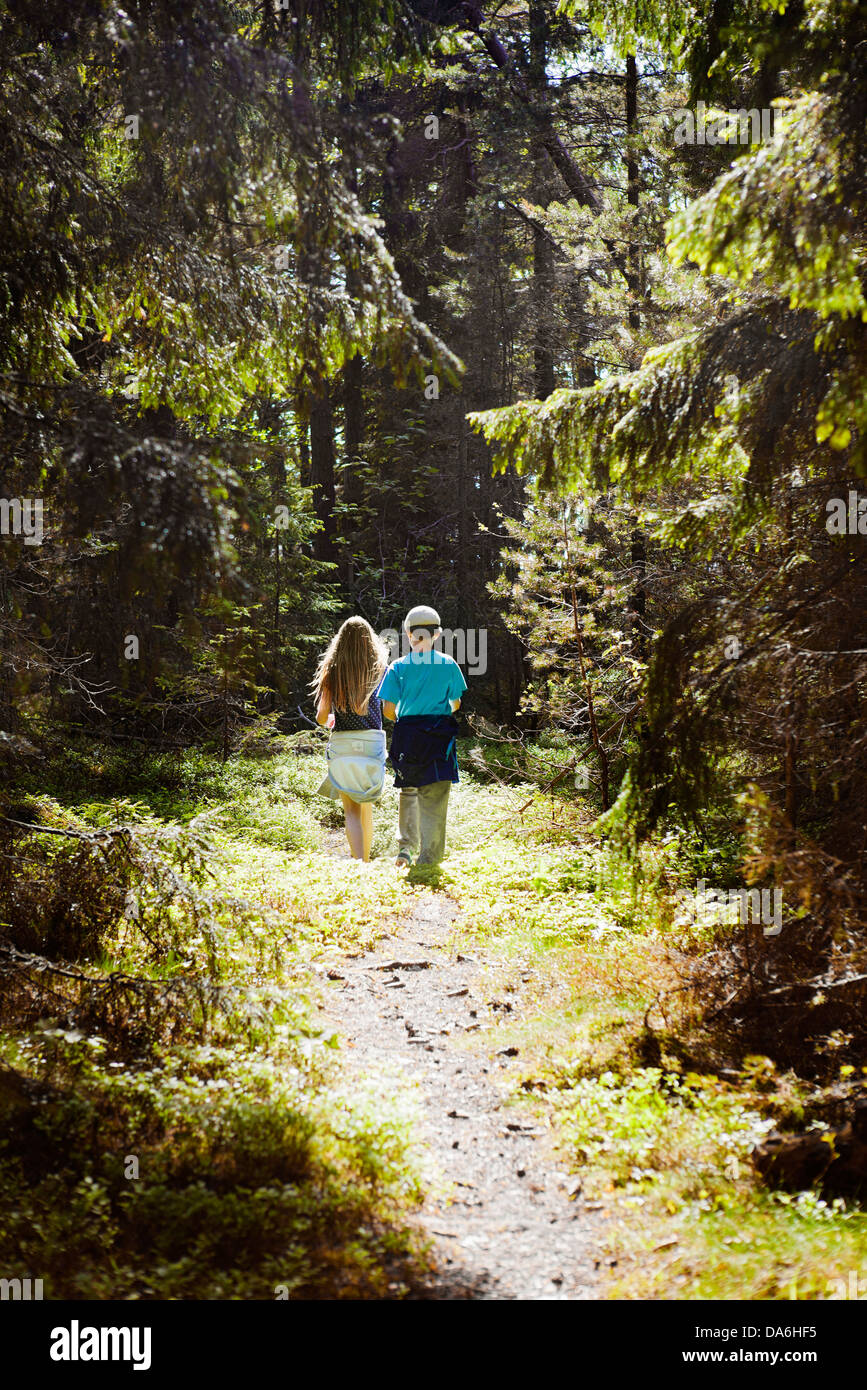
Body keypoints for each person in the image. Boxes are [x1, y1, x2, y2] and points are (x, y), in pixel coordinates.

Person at [376, 605, 467, 868]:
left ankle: (405, 850)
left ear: (408, 633)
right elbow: (456, 702)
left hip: (408, 734)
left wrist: (407, 721)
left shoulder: (397, 667)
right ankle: (429, 858)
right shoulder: (448, 664)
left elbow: (388, 709)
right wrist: (436, 713)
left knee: (409, 791)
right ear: (437, 634)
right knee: (435, 796)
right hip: (439, 733)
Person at [312, 617, 390, 862]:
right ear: (370, 642)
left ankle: (359, 865)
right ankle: (365, 860)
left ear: (340, 642)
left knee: (352, 811)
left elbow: (322, 717)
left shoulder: (332, 671)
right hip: (373, 743)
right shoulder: (382, 670)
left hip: (343, 744)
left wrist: (332, 719)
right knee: (366, 804)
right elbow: (388, 710)